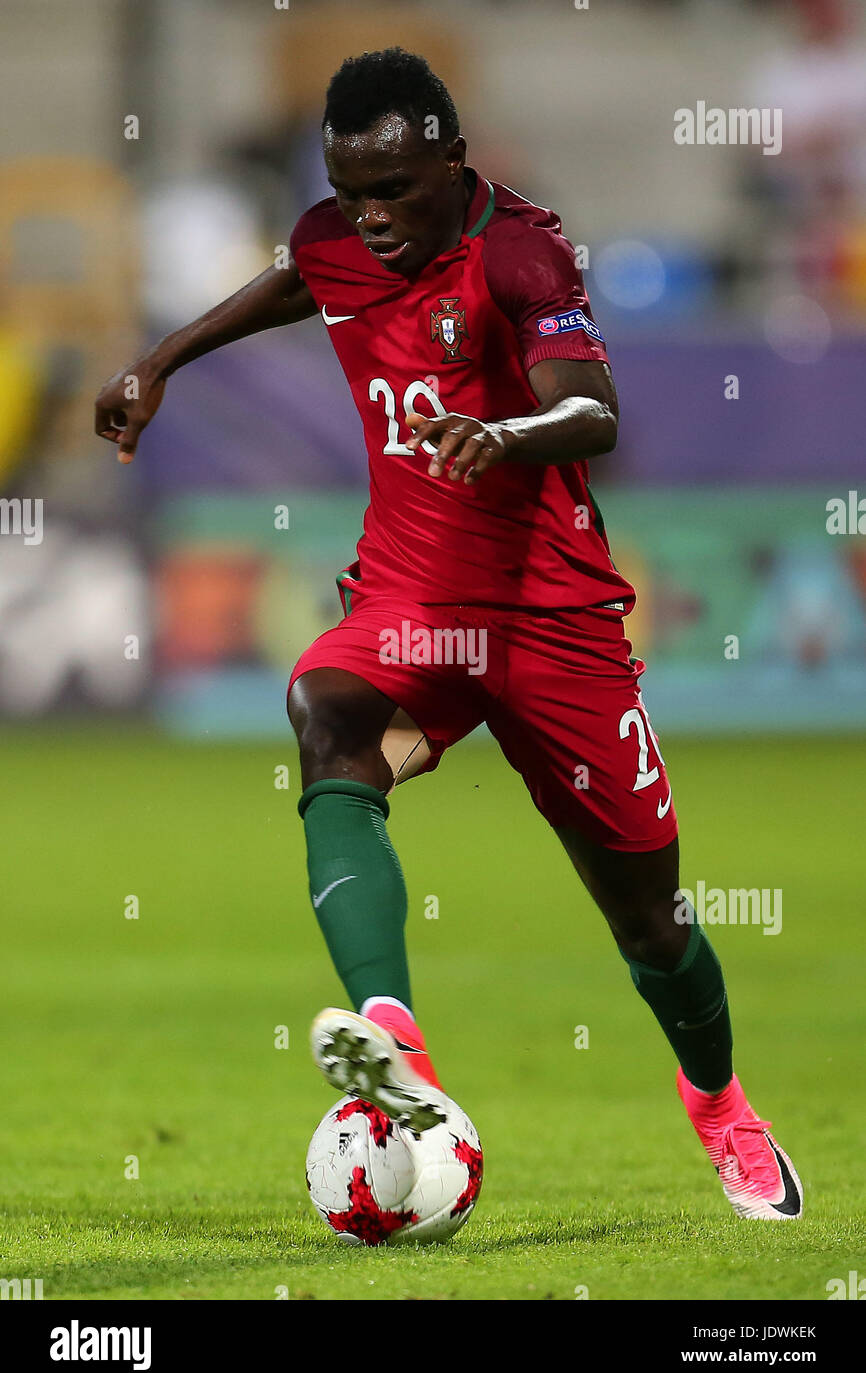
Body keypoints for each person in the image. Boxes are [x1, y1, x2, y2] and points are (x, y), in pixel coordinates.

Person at [95, 48, 802, 1221]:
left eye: (395, 193)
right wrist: (159, 359)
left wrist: (510, 432)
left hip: (553, 621)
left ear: (452, 164)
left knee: (653, 920)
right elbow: (294, 276)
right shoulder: (335, 236)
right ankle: (395, 1043)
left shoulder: (522, 252)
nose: (369, 219)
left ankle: (720, 1103)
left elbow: (593, 406)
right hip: (414, 602)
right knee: (327, 721)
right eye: (350, 191)